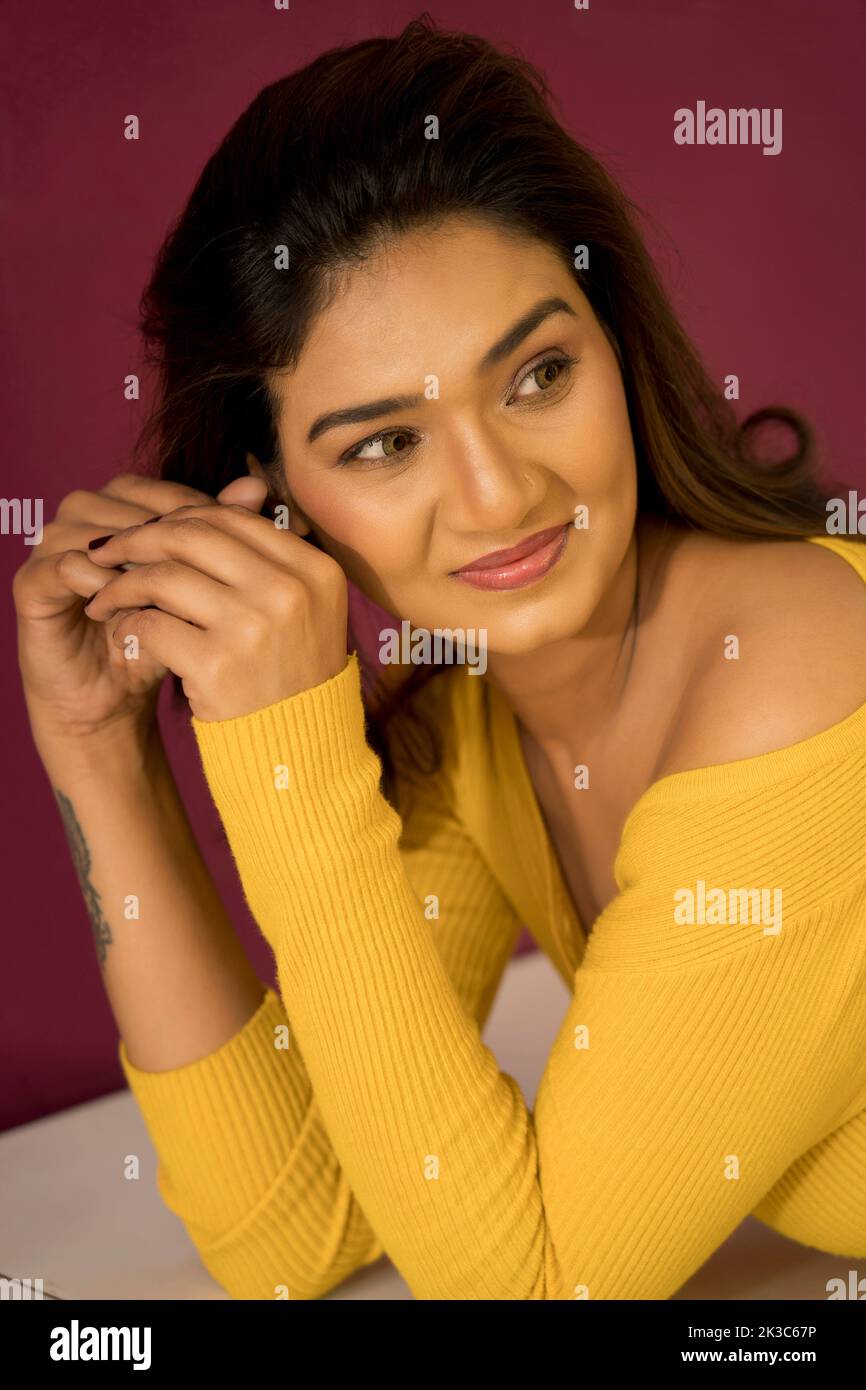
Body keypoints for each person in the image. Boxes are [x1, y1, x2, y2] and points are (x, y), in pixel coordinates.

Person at [13, 16, 866, 1300]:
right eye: (381, 443)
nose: (497, 491)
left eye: (534, 374)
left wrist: (283, 731)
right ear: (275, 507)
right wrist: (97, 749)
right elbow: (298, 1230)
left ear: (615, 348)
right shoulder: (477, 722)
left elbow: (531, 1289)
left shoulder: (801, 684)